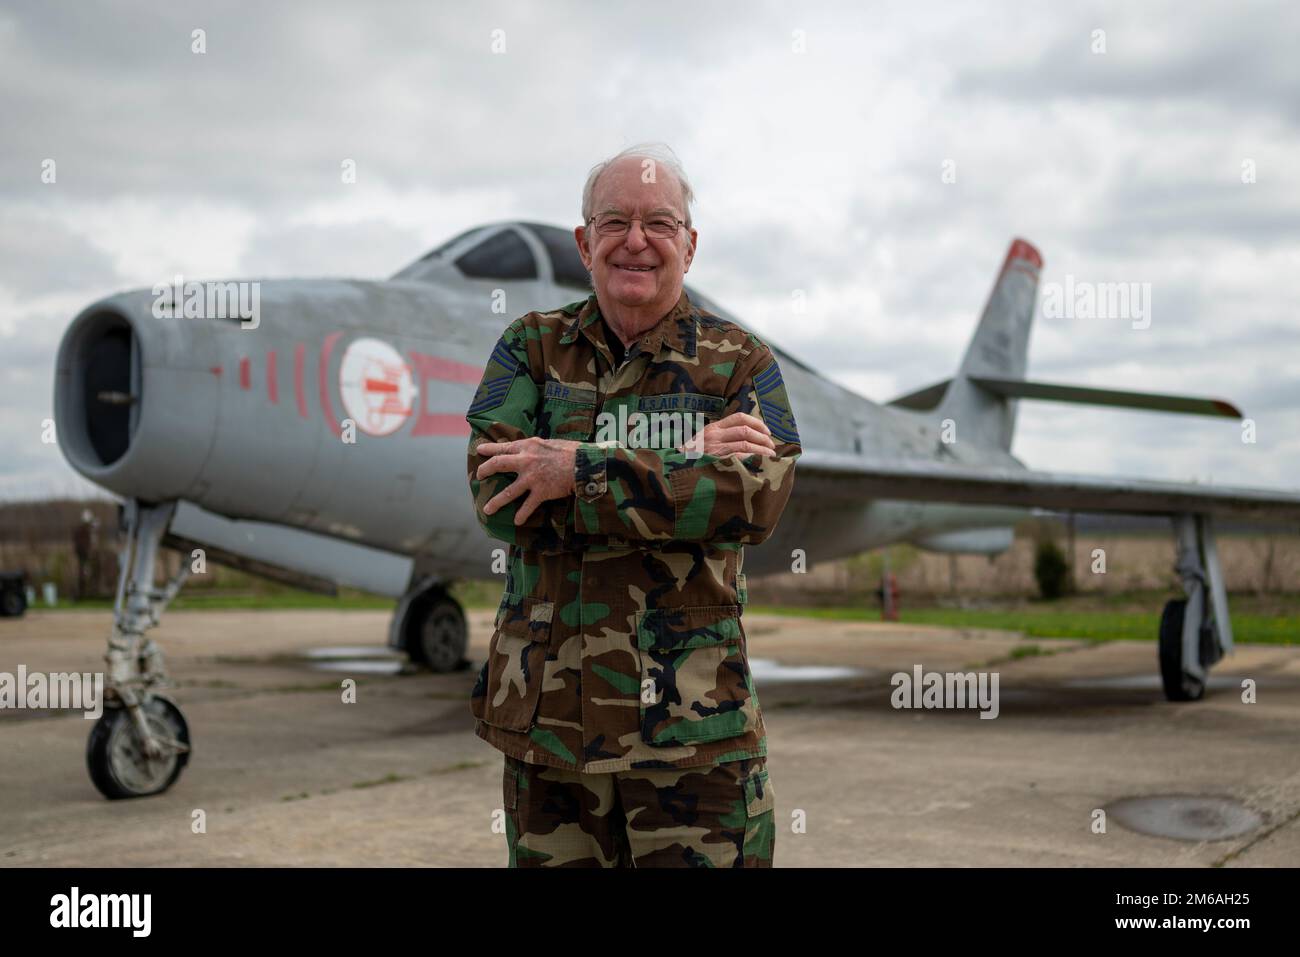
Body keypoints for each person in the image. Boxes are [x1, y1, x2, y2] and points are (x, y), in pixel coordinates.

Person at [465, 143, 801, 867]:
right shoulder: (529, 350)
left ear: (690, 243)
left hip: (693, 741)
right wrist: (688, 456)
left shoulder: (741, 362)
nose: (636, 240)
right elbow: (498, 497)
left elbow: (754, 501)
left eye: (660, 222)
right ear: (585, 242)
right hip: (551, 739)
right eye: (614, 220)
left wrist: (575, 467)